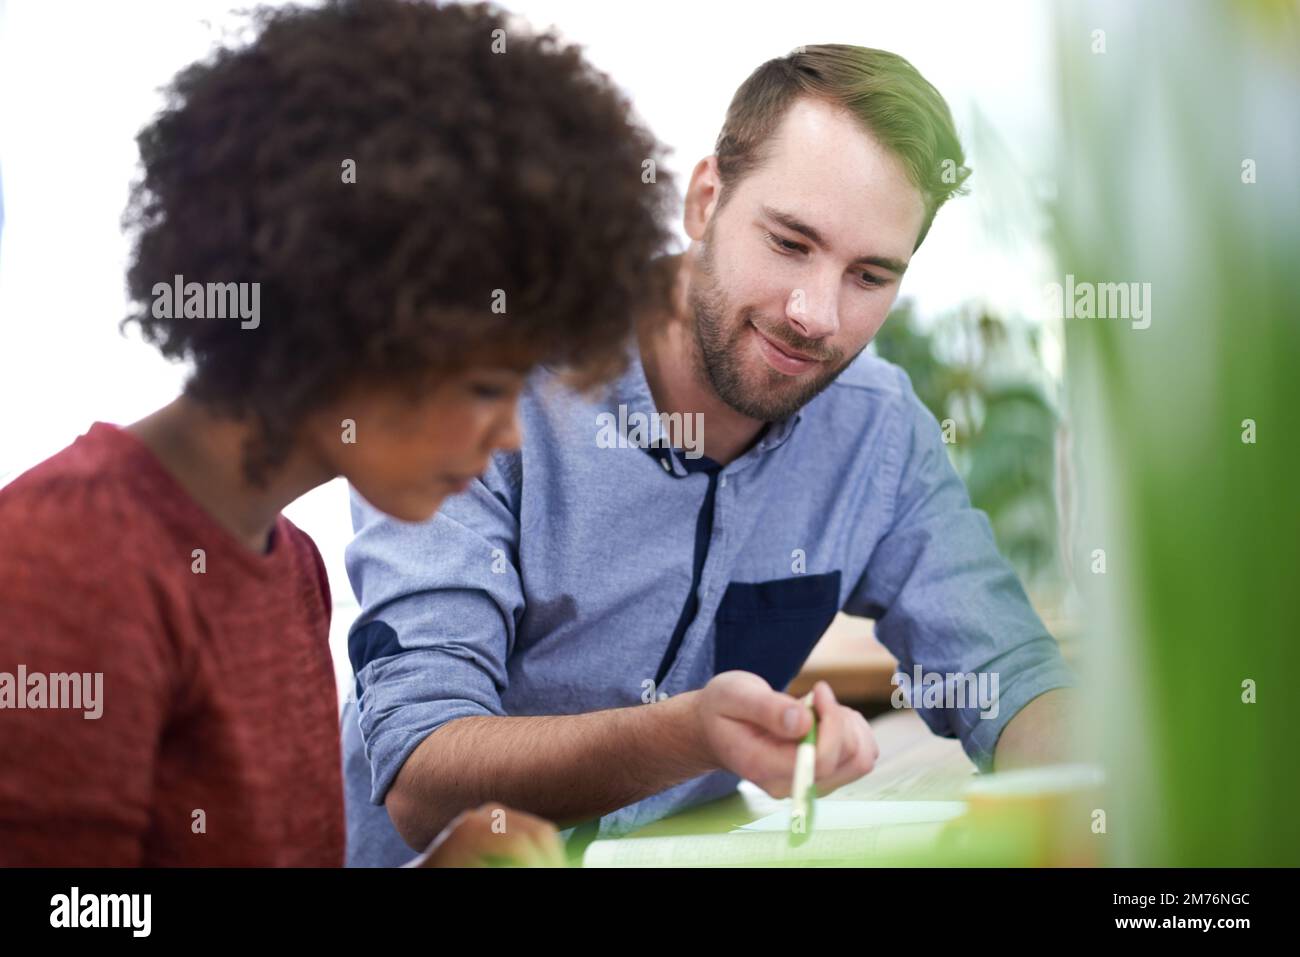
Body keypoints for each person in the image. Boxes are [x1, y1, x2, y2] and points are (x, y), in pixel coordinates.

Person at [341, 43, 1078, 866]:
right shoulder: (484, 379)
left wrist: (1092, 799)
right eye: (790, 242)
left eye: (869, 274)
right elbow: (421, 774)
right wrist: (690, 735)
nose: (817, 315)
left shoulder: (877, 430)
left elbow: (1008, 671)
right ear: (704, 202)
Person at [0, 0, 675, 866]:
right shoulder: (68, 564)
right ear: (345, 319)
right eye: (484, 386)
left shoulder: (291, 568)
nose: (509, 435)